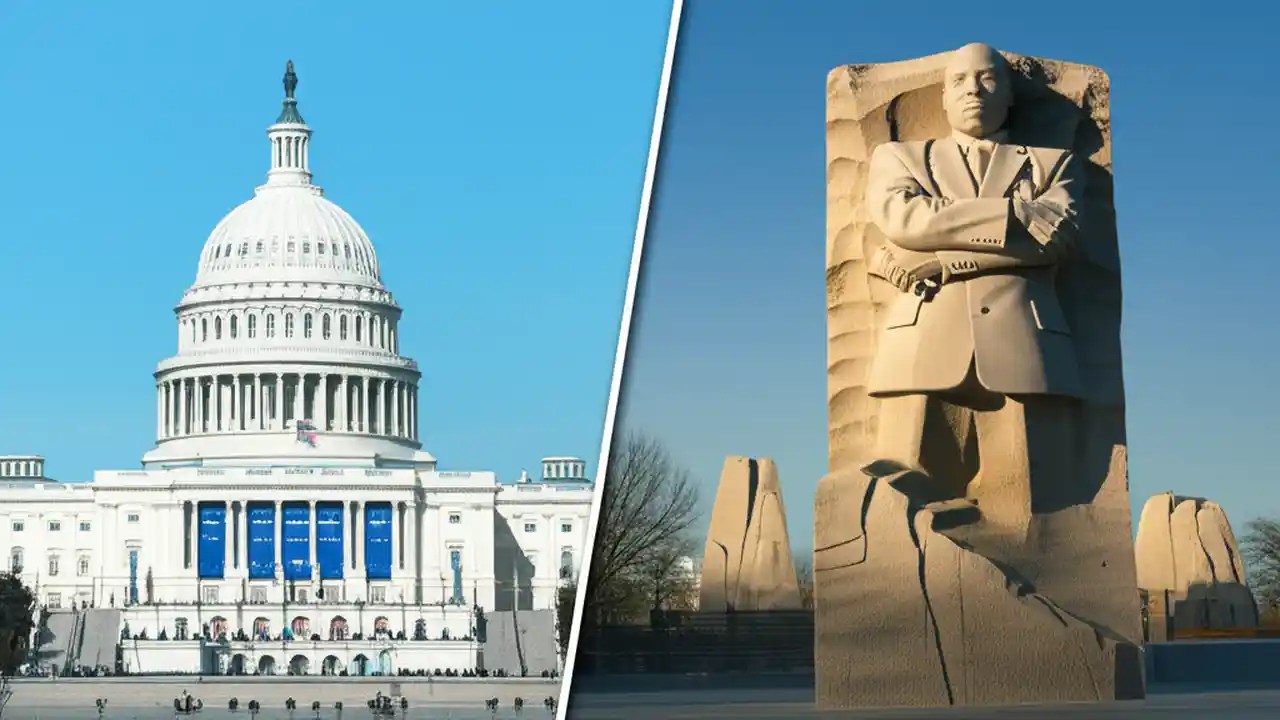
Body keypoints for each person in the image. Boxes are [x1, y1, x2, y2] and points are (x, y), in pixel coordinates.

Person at [862, 42, 1087, 534]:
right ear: (942, 97)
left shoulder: (1056, 163)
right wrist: (1016, 217)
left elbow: (1058, 239)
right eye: (960, 81)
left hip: (1025, 343)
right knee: (904, 501)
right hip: (922, 343)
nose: (973, 90)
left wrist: (945, 258)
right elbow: (905, 220)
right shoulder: (900, 157)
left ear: (1010, 95)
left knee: (1033, 505)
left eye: (988, 79)